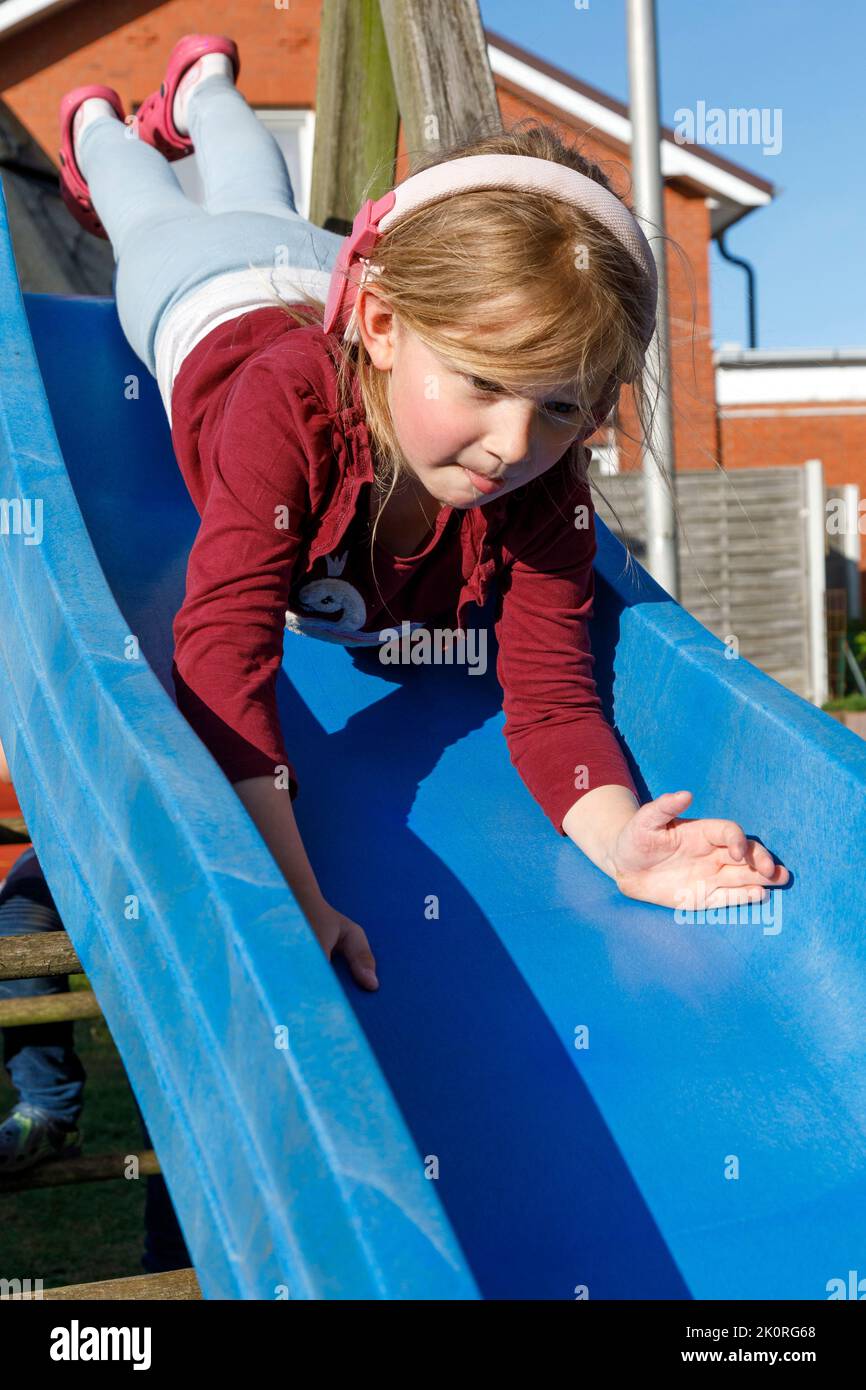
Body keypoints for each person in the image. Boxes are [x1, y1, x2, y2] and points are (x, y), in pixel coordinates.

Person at [57, 32, 789, 993]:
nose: (511, 444)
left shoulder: (540, 494)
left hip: (331, 276)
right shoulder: (289, 411)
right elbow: (222, 654)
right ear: (382, 327)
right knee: (151, 209)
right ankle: (115, 123)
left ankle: (201, 86)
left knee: (262, 201)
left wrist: (622, 845)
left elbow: (554, 701)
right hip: (206, 297)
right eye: (484, 385)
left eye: (560, 407)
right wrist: (292, 892)